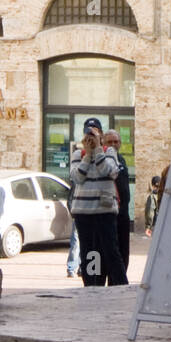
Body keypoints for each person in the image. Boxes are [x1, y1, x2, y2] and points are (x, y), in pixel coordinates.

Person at [69, 118, 126, 287]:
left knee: (110, 250)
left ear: (100, 134)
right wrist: (87, 155)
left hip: (104, 210)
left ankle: (120, 285)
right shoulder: (78, 154)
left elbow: (109, 171)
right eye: (88, 133)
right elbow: (77, 177)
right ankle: (93, 285)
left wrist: (98, 150)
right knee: (90, 252)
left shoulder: (109, 152)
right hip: (84, 211)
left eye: (94, 133)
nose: (91, 137)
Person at [103, 129, 130, 280]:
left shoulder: (122, 160)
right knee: (108, 252)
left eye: (116, 141)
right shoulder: (102, 161)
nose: (113, 144)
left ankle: (118, 282)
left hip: (123, 214)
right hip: (108, 214)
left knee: (123, 252)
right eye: (109, 142)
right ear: (104, 143)